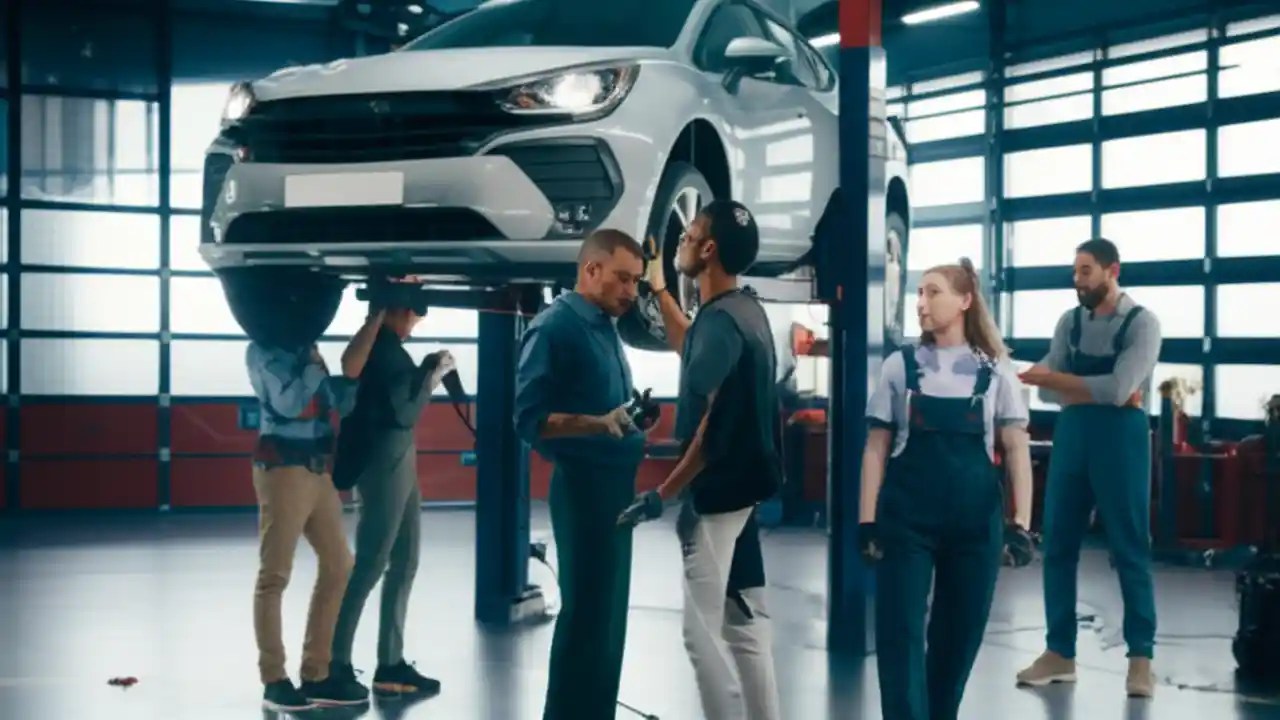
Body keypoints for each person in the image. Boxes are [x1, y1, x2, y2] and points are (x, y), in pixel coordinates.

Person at [619, 200, 783, 720]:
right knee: (745, 626)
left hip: (714, 498)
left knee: (701, 636)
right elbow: (692, 346)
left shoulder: (720, 323)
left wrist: (662, 494)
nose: (681, 241)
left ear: (708, 248)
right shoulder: (745, 311)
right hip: (748, 493)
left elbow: (710, 434)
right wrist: (661, 288)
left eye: (688, 233)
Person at [857, 259, 1036, 720]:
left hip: (975, 525)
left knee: (958, 640)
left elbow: (1016, 447)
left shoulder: (995, 370)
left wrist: (1021, 525)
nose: (921, 303)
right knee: (900, 638)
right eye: (918, 293)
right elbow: (875, 448)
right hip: (906, 520)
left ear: (964, 300)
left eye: (932, 292)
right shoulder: (900, 366)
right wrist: (867, 521)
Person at [513, 229, 657, 720]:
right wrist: (599, 423)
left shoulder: (605, 325)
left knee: (608, 621)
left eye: (637, 281)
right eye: (623, 279)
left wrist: (634, 418)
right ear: (590, 270)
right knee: (584, 619)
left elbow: (608, 406)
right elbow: (529, 420)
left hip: (618, 494)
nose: (631, 292)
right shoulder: (555, 328)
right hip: (583, 494)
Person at [1015, 238, 1162, 698]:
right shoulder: (1069, 323)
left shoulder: (1143, 324)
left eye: (1086, 271)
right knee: (1057, 544)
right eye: (1075, 271)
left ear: (1112, 270)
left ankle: (1141, 660)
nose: (1077, 280)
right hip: (1073, 437)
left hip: (1122, 440)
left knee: (1130, 547)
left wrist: (1059, 381)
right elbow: (1043, 394)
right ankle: (1059, 652)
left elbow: (1120, 390)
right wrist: (1078, 388)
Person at [306, 283, 457, 705]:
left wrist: (424, 369)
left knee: (405, 560)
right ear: (393, 311)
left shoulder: (390, 347)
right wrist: (433, 375)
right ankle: (334, 662)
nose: (414, 323)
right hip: (382, 462)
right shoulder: (379, 346)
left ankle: (390, 664)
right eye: (411, 314)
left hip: (400, 461)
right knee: (371, 563)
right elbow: (405, 410)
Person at [245, 310, 381, 712]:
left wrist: (348, 382)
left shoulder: (308, 350)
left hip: (318, 470)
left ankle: (316, 673)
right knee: (275, 575)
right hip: (282, 470)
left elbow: (334, 402)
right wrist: (311, 368)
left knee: (339, 565)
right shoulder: (262, 353)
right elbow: (289, 404)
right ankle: (274, 679)